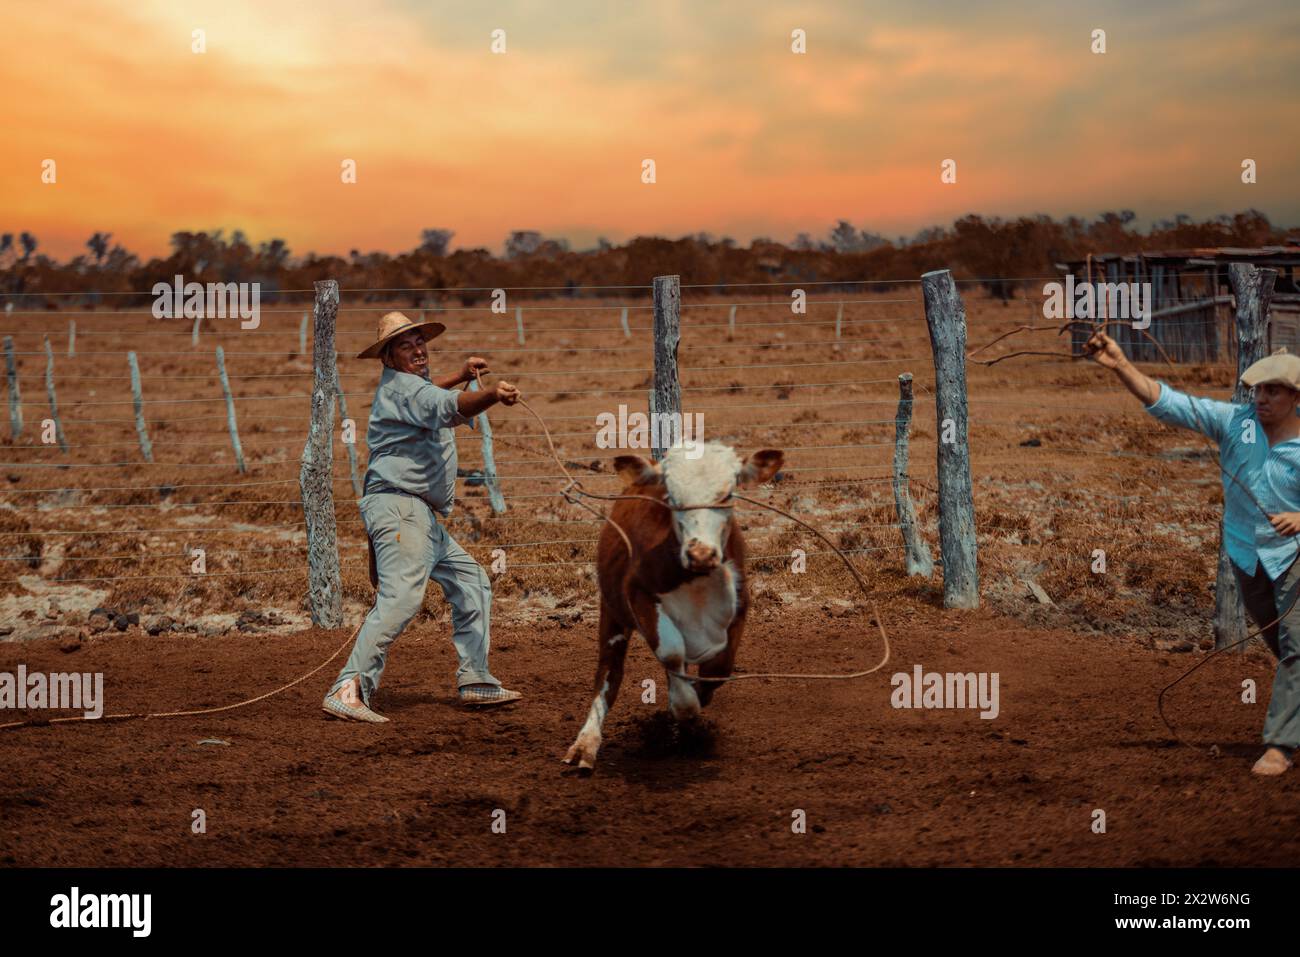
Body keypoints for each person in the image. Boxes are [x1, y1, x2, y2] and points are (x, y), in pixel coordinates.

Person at [1085, 330, 1300, 776]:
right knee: (1283, 647)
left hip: (1294, 559)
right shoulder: (1234, 423)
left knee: (1298, 648)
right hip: (1247, 556)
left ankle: (1280, 745)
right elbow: (1172, 404)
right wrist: (1121, 365)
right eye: (1257, 389)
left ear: (1295, 397)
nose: (1260, 398)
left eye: (1272, 390)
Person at [323, 311, 523, 722]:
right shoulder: (404, 391)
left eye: (419, 341)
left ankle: (476, 678)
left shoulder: (406, 388)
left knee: (471, 580)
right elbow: (446, 406)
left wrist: (459, 374)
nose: (416, 349)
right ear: (389, 358)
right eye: (405, 345)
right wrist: (491, 396)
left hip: (415, 513)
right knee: (401, 599)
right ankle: (348, 687)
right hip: (402, 510)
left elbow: (432, 393)